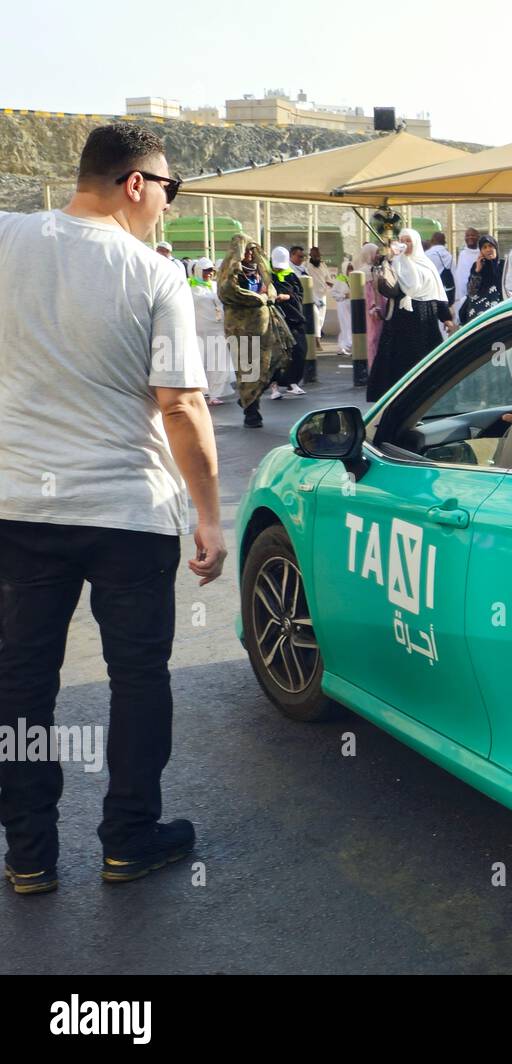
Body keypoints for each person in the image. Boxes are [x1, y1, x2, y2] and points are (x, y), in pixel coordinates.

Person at [0, 123, 224, 893]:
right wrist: (209, 516)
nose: (167, 205)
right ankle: (128, 838)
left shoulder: (7, 239)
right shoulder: (154, 276)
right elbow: (184, 406)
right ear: (137, 184)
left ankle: (28, 854)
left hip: (20, 510)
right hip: (129, 512)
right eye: (170, 189)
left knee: (21, 683)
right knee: (137, 678)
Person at [367, 228, 456, 401]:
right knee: (399, 365)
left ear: (415, 242)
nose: (405, 244)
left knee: (424, 363)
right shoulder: (394, 263)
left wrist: (446, 318)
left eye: (408, 240)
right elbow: (386, 287)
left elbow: (436, 294)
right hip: (400, 322)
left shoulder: (427, 265)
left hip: (425, 321)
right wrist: (387, 257)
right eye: (402, 240)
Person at [217, 233, 291, 428]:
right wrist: (260, 299)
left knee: (270, 363)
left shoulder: (259, 270)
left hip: (264, 327)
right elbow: (228, 292)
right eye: (246, 250)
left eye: (252, 250)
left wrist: (270, 296)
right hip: (241, 329)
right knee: (248, 369)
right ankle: (251, 412)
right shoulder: (230, 271)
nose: (250, 254)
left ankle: (248, 398)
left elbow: (270, 289)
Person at [189, 258, 235, 405]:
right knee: (201, 362)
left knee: (219, 361)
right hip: (198, 330)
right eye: (206, 270)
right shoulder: (189, 288)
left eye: (211, 270)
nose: (209, 273)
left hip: (218, 329)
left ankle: (215, 394)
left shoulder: (215, 286)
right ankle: (201, 392)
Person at [269, 246, 308, 398]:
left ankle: (292, 381)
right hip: (275, 320)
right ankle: (274, 386)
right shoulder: (267, 276)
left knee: (299, 350)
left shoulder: (292, 276)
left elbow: (299, 296)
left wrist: (287, 297)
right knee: (276, 354)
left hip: (294, 319)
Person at [462, 233, 505, 323]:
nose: (488, 249)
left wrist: (494, 264)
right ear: (481, 251)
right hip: (480, 314)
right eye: (484, 247)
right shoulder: (477, 267)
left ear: (496, 248)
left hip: (500, 310)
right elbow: (471, 291)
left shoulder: (503, 265)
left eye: (490, 246)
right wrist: (477, 271)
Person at [358, 242, 387, 368]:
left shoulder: (369, 270)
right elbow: (369, 293)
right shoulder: (367, 272)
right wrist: (374, 306)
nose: (378, 256)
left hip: (375, 308)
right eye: (376, 253)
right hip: (374, 310)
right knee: (374, 338)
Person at [305, 246, 331, 345]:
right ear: (310, 256)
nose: (317, 258)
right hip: (311, 295)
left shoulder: (323, 265)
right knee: (315, 316)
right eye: (315, 256)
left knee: (321, 318)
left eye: (318, 256)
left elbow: (328, 279)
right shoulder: (306, 266)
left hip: (322, 295)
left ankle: (317, 335)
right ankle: (317, 340)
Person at [452, 227, 480, 320]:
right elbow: (460, 275)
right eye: (467, 235)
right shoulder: (462, 254)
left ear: (478, 237)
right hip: (462, 295)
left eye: (472, 235)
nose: (470, 237)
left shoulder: (481, 254)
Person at [332, 255, 353, 357]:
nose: (350, 270)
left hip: (352, 306)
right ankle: (345, 346)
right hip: (343, 305)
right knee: (345, 326)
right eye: (349, 268)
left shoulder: (355, 278)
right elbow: (334, 293)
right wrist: (344, 295)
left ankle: (343, 347)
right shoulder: (340, 278)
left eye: (352, 268)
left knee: (349, 326)